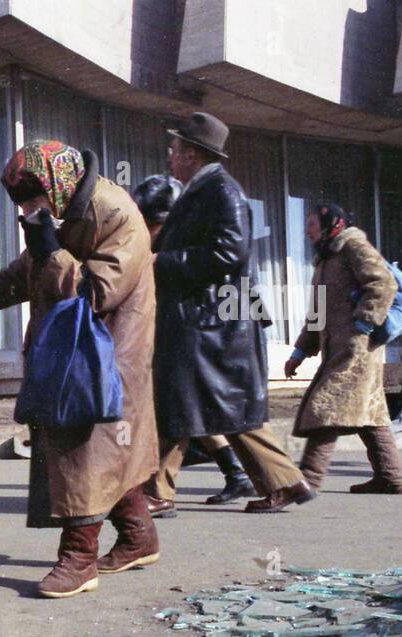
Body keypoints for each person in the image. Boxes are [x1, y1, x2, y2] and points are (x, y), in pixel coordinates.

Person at [0, 141, 158, 598]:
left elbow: (97, 292)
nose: (27, 209)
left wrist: (52, 250)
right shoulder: (58, 215)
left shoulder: (116, 214)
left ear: (56, 183)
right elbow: (25, 276)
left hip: (109, 351)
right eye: (20, 202)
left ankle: (78, 558)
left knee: (84, 448)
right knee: (104, 452)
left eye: (30, 198)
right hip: (70, 349)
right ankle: (139, 537)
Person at [145, 112, 316, 514]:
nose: (169, 156)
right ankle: (285, 482)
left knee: (183, 405)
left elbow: (229, 252)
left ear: (191, 154)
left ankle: (156, 493)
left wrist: (159, 262)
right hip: (210, 319)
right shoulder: (205, 190)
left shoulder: (221, 191)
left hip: (210, 322)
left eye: (174, 150)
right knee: (209, 406)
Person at [131, 174, 257, 506]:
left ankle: (157, 493)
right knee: (198, 409)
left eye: (153, 223)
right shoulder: (172, 240)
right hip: (192, 336)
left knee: (185, 411)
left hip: (206, 336)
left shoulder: (193, 241)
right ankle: (240, 475)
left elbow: (236, 289)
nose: (149, 231)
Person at [284, 204, 402, 493]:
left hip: (357, 348)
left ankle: (308, 480)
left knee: (328, 407)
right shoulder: (326, 259)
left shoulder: (353, 245)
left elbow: (383, 282)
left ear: (329, 225)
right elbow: (319, 311)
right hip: (340, 348)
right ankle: (390, 478)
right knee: (369, 414)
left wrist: (367, 319)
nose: (307, 230)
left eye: (312, 224)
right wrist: (300, 351)